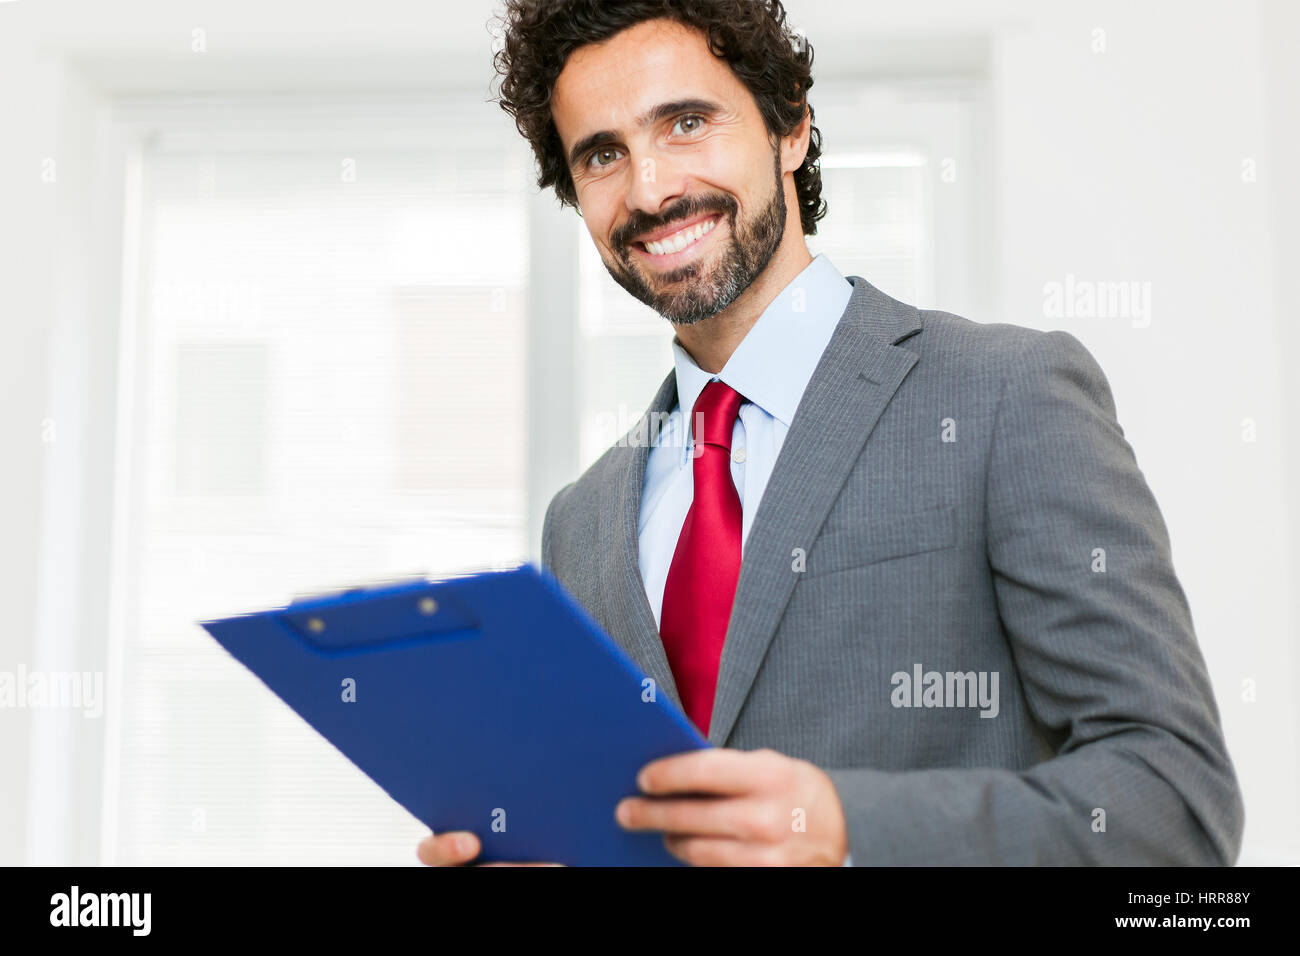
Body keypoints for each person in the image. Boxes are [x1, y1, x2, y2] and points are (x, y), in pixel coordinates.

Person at [419, 0, 1243, 867]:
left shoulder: (1006, 397)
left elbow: (1173, 803)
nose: (651, 189)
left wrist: (845, 826)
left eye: (688, 123)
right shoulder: (579, 520)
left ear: (790, 131)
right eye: (603, 154)